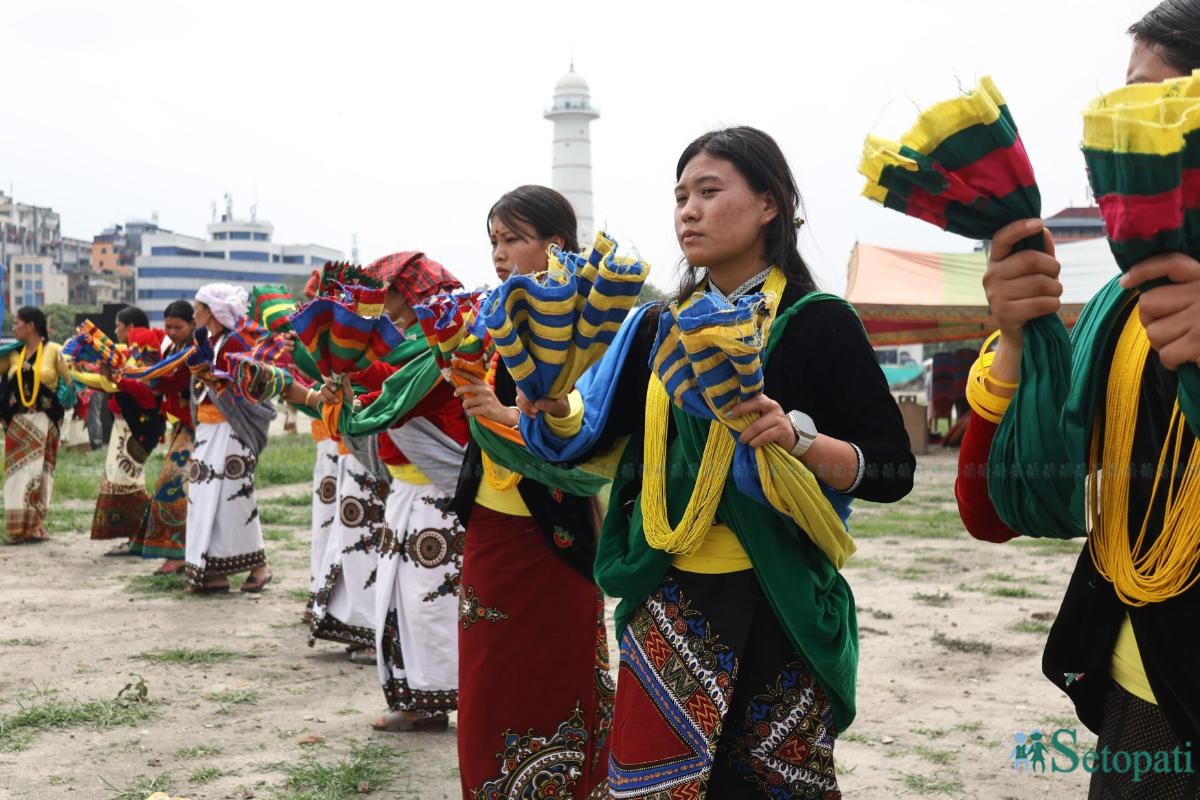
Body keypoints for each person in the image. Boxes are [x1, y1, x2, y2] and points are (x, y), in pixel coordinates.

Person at [520, 130, 915, 798]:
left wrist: (797, 442)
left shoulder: (817, 323)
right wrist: (551, 401)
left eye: (709, 191)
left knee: (769, 787)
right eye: (680, 197)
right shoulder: (655, 329)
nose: (688, 211)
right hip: (671, 593)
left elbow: (890, 469)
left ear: (770, 205)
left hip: (781, 598)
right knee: (651, 786)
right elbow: (588, 433)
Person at [955, 4, 1200, 797]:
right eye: (1126, 105)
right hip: (1143, 689)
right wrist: (1025, 341)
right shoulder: (1122, 311)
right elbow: (993, 514)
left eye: (1172, 106)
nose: (1134, 138)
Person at [451, 186, 616, 799]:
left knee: (559, 678)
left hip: (556, 542)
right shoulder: (491, 321)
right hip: (491, 536)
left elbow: (588, 434)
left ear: (556, 245)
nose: (499, 253)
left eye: (512, 238)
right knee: (488, 684)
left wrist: (496, 411)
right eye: (494, 239)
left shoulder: (590, 331)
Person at [329, 251, 468, 733]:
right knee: (400, 599)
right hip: (406, 494)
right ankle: (417, 698)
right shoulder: (402, 346)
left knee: (430, 599)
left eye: (383, 295)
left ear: (409, 294)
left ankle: (437, 696)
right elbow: (386, 394)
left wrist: (350, 369)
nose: (376, 307)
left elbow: (400, 393)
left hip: (436, 496)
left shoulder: (440, 342)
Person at [183, 284, 276, 594]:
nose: (193, 312)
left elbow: (245, 386)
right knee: (207, 499)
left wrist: (213, 378)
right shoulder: (211, 341)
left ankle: (259, 566)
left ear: (211, 311)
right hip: (210, 433)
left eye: (198, 307)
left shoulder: (235, 341)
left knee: (235, 500)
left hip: (233, 431)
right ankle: (214, 572)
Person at [80, 305, 166, 549]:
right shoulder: (125, 354)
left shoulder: (145, 357)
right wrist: (103, 376)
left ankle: (139, 536)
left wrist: (116, 377)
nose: (115, 331)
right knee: (121, 478)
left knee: (128, 478)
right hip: (122, 424)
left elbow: (146, 393)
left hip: (135, 425)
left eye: (118, 326)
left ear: (130, 328)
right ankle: (134, 536)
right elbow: (112, 386)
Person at [129, 300, 196, 574]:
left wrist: (147, 374)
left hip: (199, 427)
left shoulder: (196, 350)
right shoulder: (173, 348)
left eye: (177, 326)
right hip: (182, 426)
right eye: (167, 326)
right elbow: (158, 391)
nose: (171, 331)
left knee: (173, 489)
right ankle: (182, 552)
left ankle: (181, 553)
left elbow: (175, 382)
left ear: (193, 324)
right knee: (176, 489)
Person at [0, 307, 71, 544]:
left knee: (40, 475)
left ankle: (36, 525)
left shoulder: (55, 351)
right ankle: (20, 528)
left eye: (16, 322)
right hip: (18, 425)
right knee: (16, 476)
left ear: (30, 326)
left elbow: (72, 382)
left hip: (44, 421)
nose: (13, 327)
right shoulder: (13, 354)